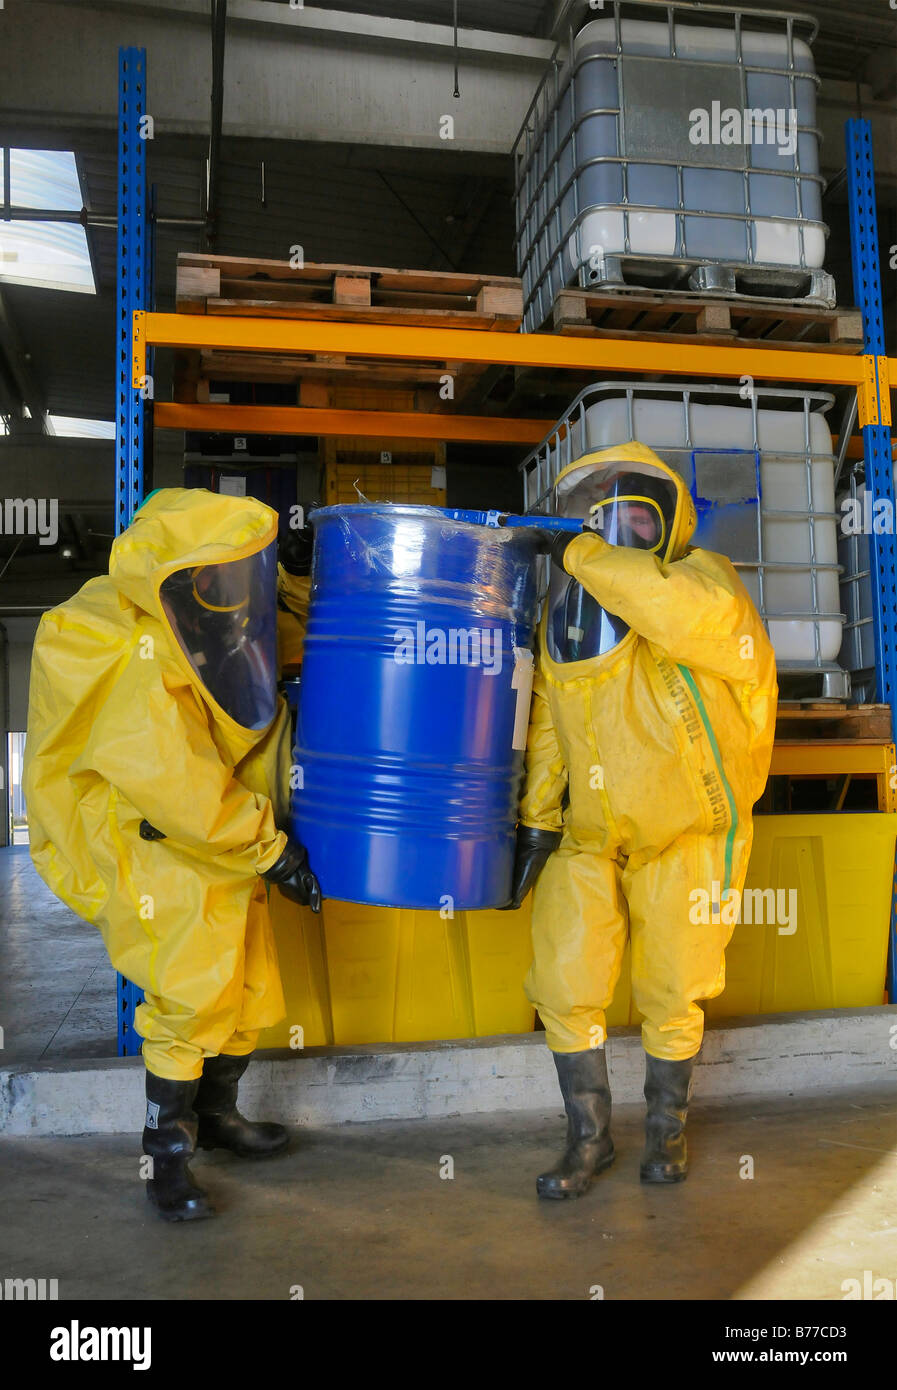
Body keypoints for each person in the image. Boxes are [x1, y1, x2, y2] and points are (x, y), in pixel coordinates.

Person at [24, 488, 320, 1222]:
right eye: (215, 573)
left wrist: (299, 580)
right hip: (173, 854)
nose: (230, 587)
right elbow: (178, 787)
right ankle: (168, 1160)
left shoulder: (205, 625)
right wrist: (272, 850)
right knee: (187, 1003)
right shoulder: (143, 654)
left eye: (239, 571)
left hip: (224, 848)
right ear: (180, 576)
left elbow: (286, 643)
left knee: (243, 990)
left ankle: (217, 1119)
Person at [508, 442, 777, 1199]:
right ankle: (587, 1141)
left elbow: (669, 606)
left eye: (631, 516)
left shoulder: (704, 583)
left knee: (672, 982)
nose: (613, 531)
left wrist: (582, 556)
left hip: (687, 831)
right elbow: (553, 723)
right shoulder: (564, 614)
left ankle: (667, 1131)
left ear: (665, 523)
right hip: (591, 834)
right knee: (564, 978)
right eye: (597, 519)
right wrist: (536, 821)